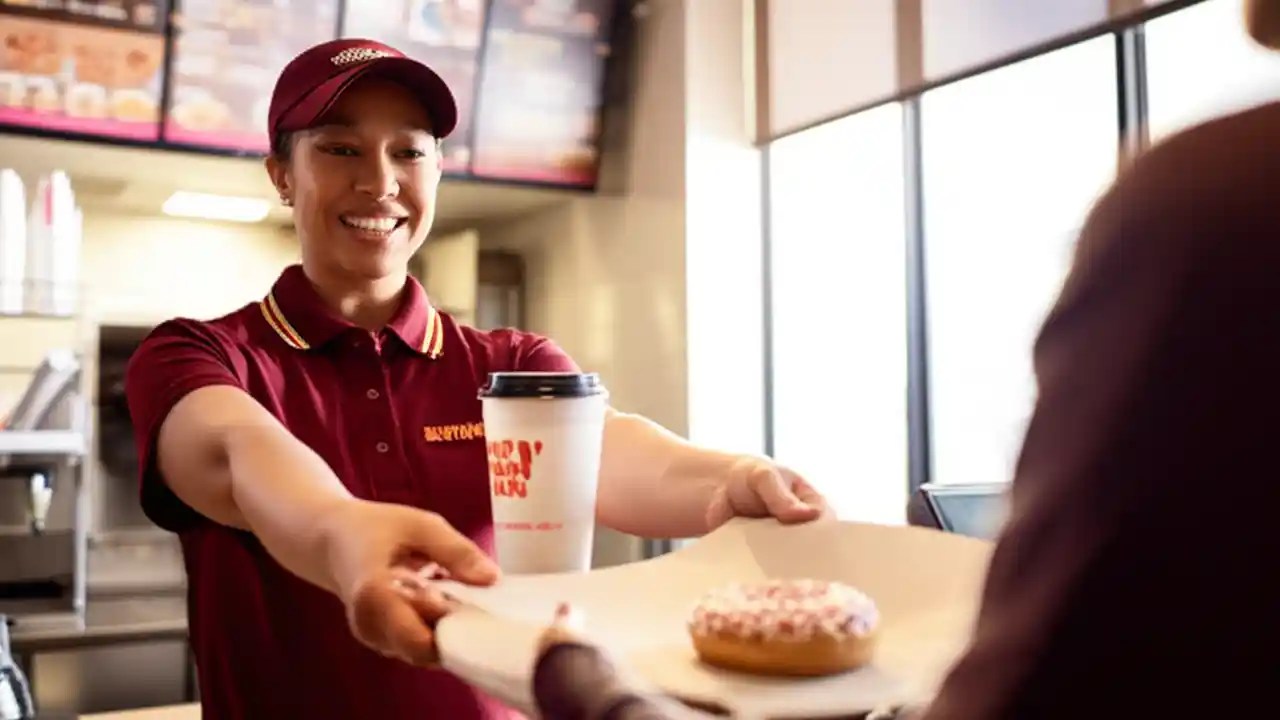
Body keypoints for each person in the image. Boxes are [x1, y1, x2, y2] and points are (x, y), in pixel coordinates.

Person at [523, 1, 1280, 718]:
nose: (394, 184)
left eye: (413, 151)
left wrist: (591, 683)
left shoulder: (1212, 204)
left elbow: (597, 456)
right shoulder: (1209, 200)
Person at [123, 37, 830, 720]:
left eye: (409, 152)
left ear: (437, 170)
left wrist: (732, 481)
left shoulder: (509, 364)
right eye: (341, 149)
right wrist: (342, 531)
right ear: (282, 174)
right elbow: (237, 452)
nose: (379, 181)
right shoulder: (200, 354)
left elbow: (608, 453)